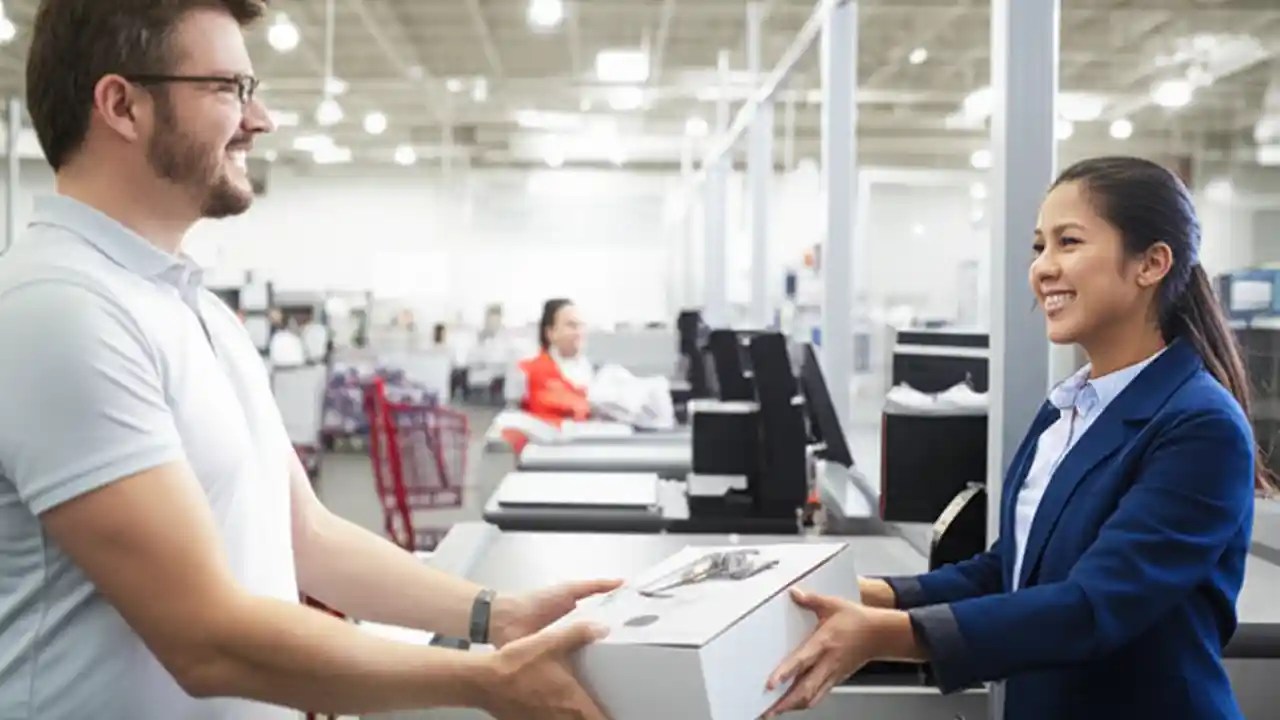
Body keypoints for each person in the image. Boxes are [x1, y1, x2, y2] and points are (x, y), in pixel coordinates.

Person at [0, 2, 619, 719]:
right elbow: (205, 639)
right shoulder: (58, 310)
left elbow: (307, 535)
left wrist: (496, 615)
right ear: (122, 105)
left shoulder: (192, 308)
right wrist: (484, 681)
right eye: (230, 88)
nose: (261, 120)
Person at [764, 156, 1276, 720]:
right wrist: (864, 594)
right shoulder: (1069, 407)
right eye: (1040, 248)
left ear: (1151, 263)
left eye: (1069, 242)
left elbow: (1094, 606)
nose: (1044, 268)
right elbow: (1010, 569)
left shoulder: (1199, 425)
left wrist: (890, 634)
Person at [520, 298, 595, 424]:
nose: (579, 332)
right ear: (551, 333)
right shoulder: (529, 370)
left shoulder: (591, 372)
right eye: (571, 326)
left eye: (581, 326)